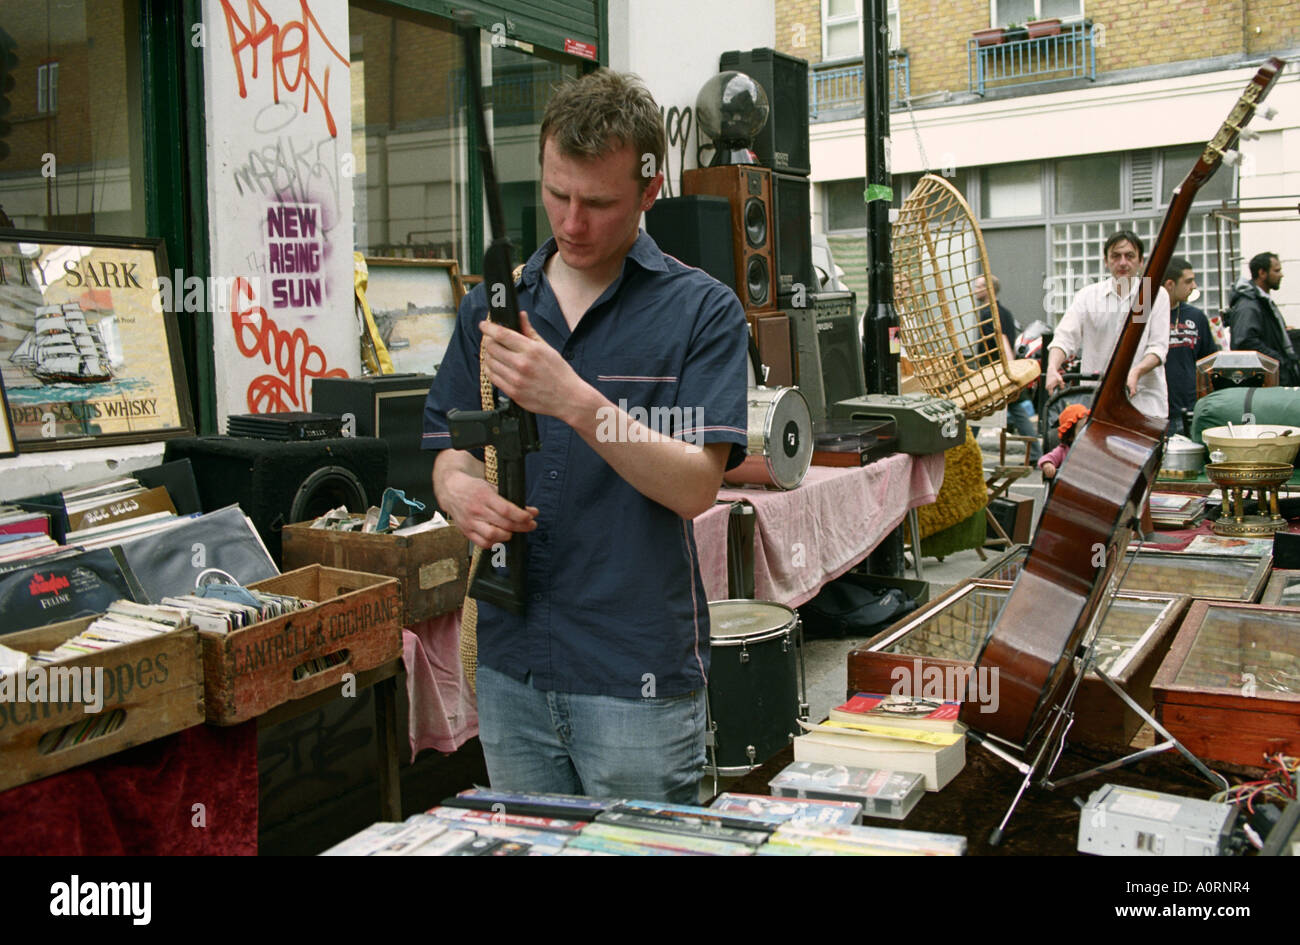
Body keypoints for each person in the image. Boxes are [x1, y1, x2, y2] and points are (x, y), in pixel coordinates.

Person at [421, 69, 749, 804]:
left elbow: (697, 484)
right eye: (556, 194)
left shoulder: (702, 312)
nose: (571, 223)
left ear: (648, 191)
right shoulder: (493, 307)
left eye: (598, 203)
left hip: (633, 677)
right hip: (513, 669)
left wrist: (570, 398)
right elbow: (450, 447)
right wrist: (460, 493)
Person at [1045, 230, 1171, 423]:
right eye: (1115, 256)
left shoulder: (1152, 294)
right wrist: (1053, 367)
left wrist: (1135, 372)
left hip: (1144, 405)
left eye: (1129, 256)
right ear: (1106, 261)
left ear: (1141, 261)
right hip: (1097, 402)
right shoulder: (1089, 296)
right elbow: (1065, 337)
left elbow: (1158, 347)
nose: (1122, 262)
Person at [973, 273, 1040, 460]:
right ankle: (1035, 454)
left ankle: (964, 451)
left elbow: (1002, 341)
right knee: (1016, 412)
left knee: (976, 410)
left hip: (994, 374)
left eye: (979, 286)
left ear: (989, 289)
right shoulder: (1004, 312)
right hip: (1000, 373)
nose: (975, 290)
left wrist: (1010, 372)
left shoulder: (989, 313)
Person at [1163, 256, 1219, 436]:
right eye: (1188, 281)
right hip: (1158, 411)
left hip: (1192, 409)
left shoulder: (1196, 316)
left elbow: (1209, 363)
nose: (1194, 286)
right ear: (1170, 284)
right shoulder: (1144, 316)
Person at [1228, 252, 1299, 386]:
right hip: (1266, 384)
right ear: (1262, 273)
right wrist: (1279, 360)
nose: (1281, 275)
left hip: (1276, 379)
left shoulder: (1262, 301)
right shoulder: (1249, 305)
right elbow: (1245, 341)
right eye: (1276, 271)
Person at [1038, 404, 1089, 480]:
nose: (1087, 432)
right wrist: (1048, 464)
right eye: (1082, 429)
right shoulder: (1063, 450)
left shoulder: (1094, 448)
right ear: (1071, 437)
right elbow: (1046, 458)